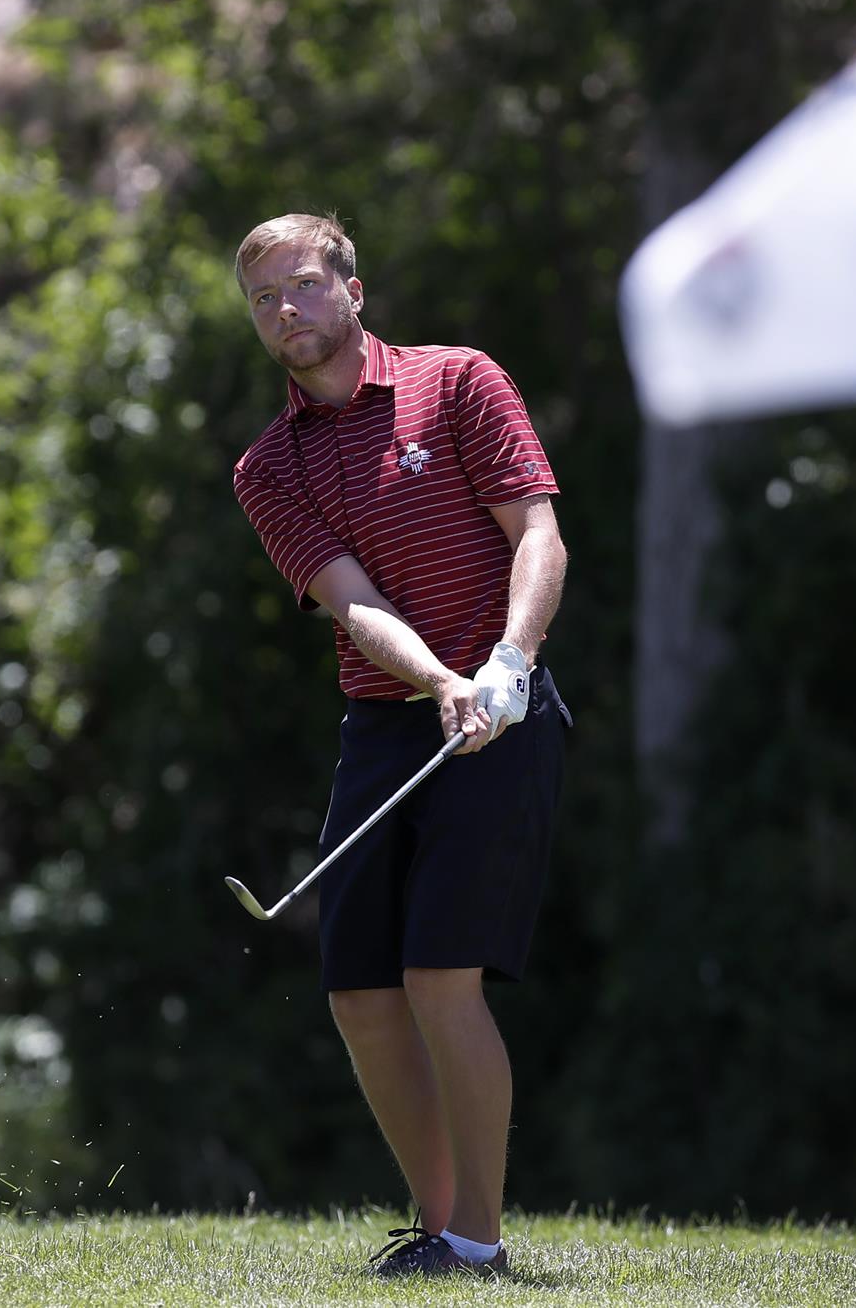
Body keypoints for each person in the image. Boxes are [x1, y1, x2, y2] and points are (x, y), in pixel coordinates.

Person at [231, 212, 571, 1278]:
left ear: (353, 289)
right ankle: (438, 1228)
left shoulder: (457, 381)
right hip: (392, 716)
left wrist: (506, 663)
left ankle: (478, 1234)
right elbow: (351, 601)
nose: (286, 310)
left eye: (302, 286)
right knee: (359, 993)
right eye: (263, 299)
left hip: (504, 709)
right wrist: (436, 682)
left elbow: (538, 532)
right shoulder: (269, 467)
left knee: (438, 978)